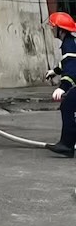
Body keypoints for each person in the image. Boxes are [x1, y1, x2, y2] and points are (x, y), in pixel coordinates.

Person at [45, 12, 76, 158]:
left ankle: (67, 145)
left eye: (53, 27)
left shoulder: (69, 44)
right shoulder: (70, 42)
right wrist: (55, 71)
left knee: (67, 106)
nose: (52, 30)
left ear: (60, 30)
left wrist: (62, 87)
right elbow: (65, 62)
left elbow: (71, 67)